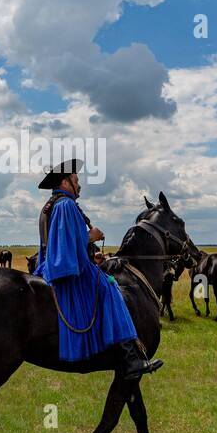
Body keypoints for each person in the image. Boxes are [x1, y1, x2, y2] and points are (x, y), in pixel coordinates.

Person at [34, 159, 162, 381]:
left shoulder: (50, 205)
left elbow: (60, 245)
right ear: (65, 182)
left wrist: (91, 256)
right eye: (76, 180)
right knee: (111, 288)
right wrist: (90, 236)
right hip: (67, 271)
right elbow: (66, 246)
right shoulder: (66, 205)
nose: (79, 184)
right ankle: (130, 357)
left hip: (54, 266)